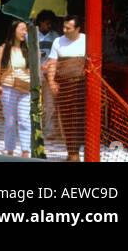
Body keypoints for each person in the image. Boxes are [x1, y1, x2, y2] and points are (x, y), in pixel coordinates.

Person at [0, 19, 36, 157]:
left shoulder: (28, 49)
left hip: (24, 89)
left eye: (26, 30)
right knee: (10, 120)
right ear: (13, 31)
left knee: (24, 119)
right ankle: (10, 150)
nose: (24, 33)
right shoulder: (3, 49)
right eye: (22, 29)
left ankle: (25, 151)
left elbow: (33, 69)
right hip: (8, 88)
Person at [48, 14, 87, 162]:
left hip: (82, 87)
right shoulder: (58, 42)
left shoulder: (86, 40)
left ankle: (83, 152)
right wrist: (51, 81)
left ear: (78, 29)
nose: (64, 30)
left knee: (81, 120)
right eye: (63, 27)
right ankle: (72, 153)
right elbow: (52, 63)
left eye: (68, 28)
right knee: (67, 120)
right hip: (64, 87)